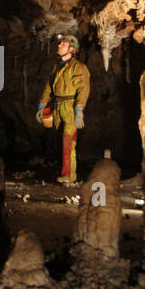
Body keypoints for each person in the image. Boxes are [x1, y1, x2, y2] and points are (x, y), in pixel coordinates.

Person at [35, 34, 90, 184]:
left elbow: (83, 89)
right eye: (60, 43)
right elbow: (48, 88)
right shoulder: (57, 67)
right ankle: (63, 171)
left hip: (70, 107)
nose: (59, 45)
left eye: (63, 44)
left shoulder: (79, 68)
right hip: (57, 106)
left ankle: (69, 175)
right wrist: (42, 105)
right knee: (59, 142)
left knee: (68, 140)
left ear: (72, 49)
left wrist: (79, 111)